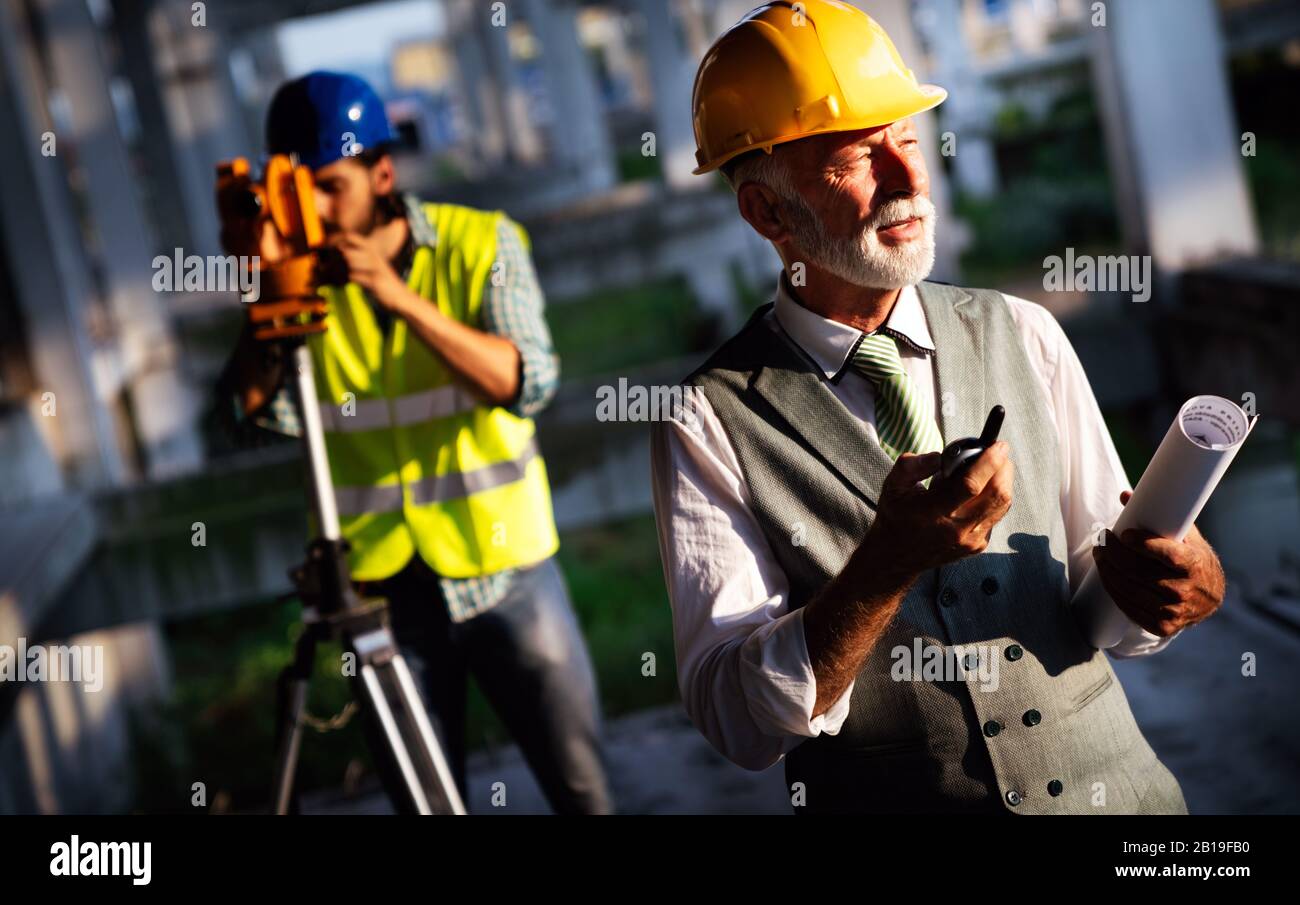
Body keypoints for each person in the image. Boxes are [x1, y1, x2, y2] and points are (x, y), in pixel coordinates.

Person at [651, 0, 1224, 814]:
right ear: (768, 213)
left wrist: (1172, 589)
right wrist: (886, 563)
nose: (911, 178)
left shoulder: (1023, 332)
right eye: (858, 156)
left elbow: (1110, 609)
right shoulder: (706, 420)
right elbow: (737, 722)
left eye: (909, 140)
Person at [216, 71, 612, 814]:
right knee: (425, 804)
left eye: (331, 185)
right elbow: (245, 421)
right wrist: (266, 297)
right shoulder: (294, 285)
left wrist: (397, 298)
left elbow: (528, 381)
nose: (318, 210)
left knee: (582, 790)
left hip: (507, 572)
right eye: (298, 190)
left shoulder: (481, 241)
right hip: (381, 596)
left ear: (383, 172)